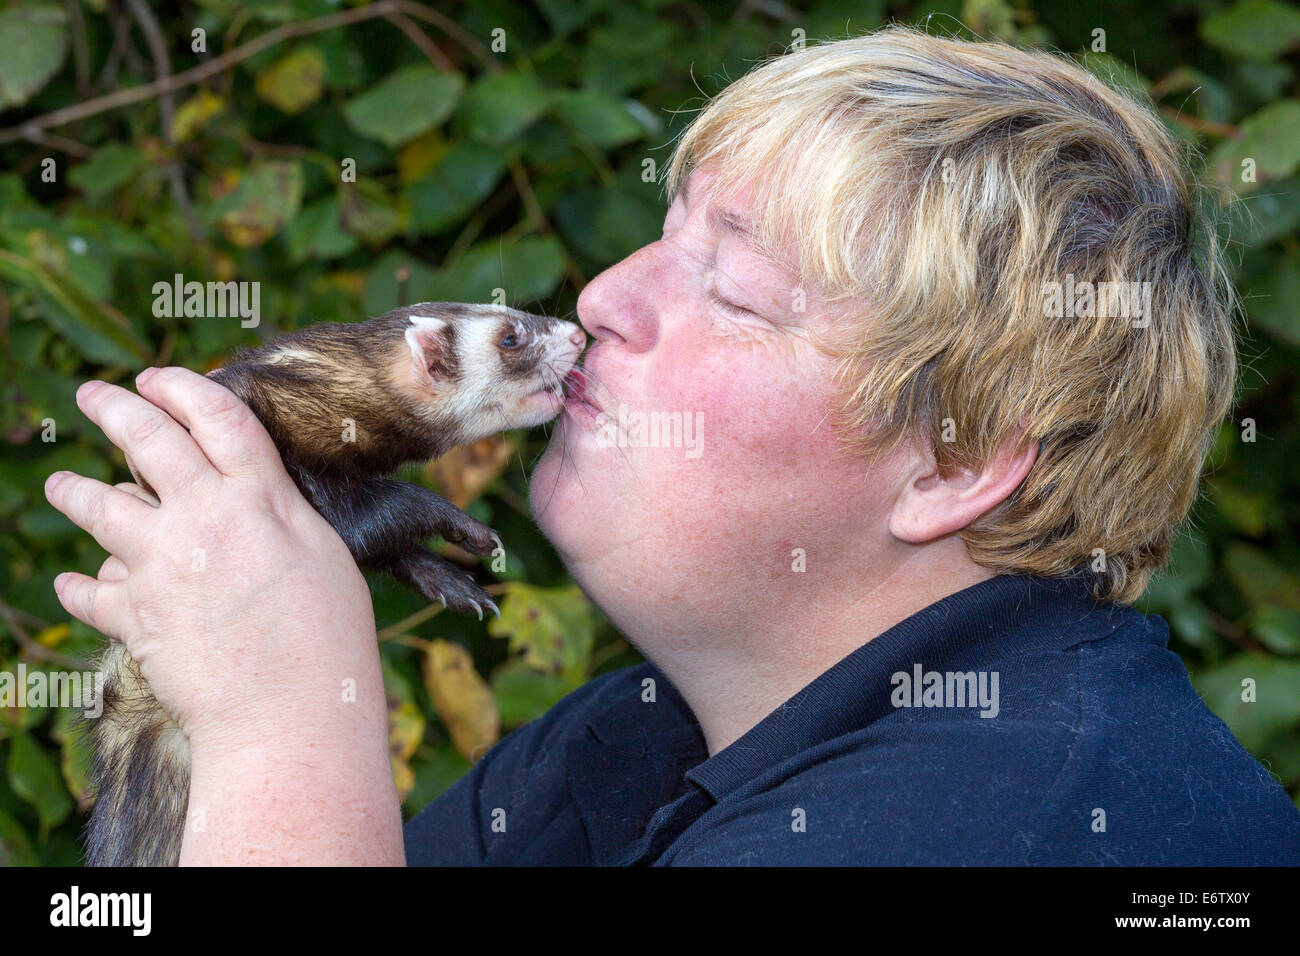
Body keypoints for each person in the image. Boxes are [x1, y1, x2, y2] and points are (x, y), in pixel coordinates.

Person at [46, 26, 1300, 865]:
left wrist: (282, 736)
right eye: (661, 230)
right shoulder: (644, 735)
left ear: (953, 464)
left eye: (737, 291)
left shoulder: (997, 828)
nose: (599, 294)